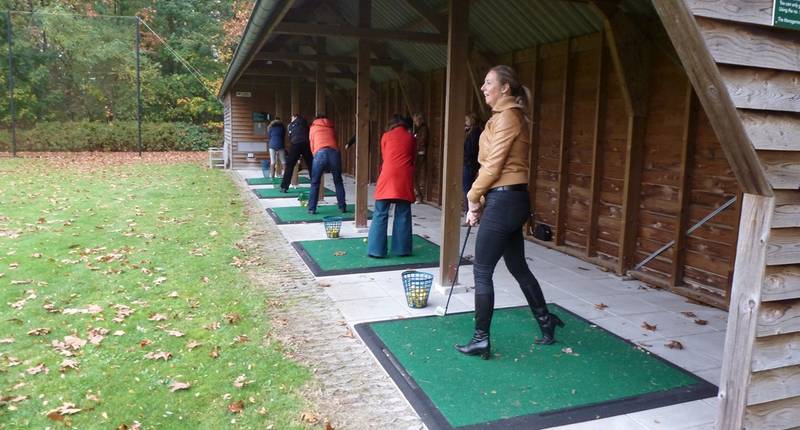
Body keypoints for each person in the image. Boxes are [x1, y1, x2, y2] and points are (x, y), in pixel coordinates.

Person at [456, 65, 563, 360]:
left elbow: (493, 165)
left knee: (481, 271)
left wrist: (473, 197)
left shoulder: (509, 117)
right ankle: (546, 321)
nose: (483, 87)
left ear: (505, 88)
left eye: (488, 82)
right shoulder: (501, 118)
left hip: (505, 200)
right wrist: (481, 198)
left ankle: (481, 339)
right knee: (518, 267)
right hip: (507, 200)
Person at [367, 115, 416, 258]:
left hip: (387, 175)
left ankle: (376, 250)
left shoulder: (386, 136)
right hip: (404, 177)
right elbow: (412, 158)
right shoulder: (411, 138)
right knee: (403, 213)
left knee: (380, 213)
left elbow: (385, 157)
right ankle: (402, 250)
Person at [308, 113, 347, 214]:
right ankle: (342, 206)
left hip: (320, 153)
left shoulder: (313, 128)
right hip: (334, 153)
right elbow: (335, 141)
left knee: (315, 182)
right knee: (338, 181)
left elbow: (311, 143)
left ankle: (312, 208)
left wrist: (315, 155)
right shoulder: (331, 127)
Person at [280, 113, 313, 193]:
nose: (291, 119)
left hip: (295, 144)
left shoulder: (291, 125)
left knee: (290, 166)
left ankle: (284, 187)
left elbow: (290, 137)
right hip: (306, 144)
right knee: (311, 165)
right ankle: (315, 185)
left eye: (291, 117)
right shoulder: (305, 123)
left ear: (295, 117)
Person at [462, 112, 481, 220]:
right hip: (470, 163)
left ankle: (469, 213)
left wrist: (465, 158)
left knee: (467, 189)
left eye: (467, 120)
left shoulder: (475, 133)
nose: (465, 122)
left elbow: (471, 150)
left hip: (470, 164)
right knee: (467, 188)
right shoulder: (472, 132)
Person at [411, 112, 429, 203]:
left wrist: (416, 147)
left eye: (416, 120)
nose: (415, 122)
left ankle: (419, 196)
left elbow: (422, 141)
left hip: (420, 153)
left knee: (415, 175)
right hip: (418, 153)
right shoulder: (419, 129)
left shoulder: (423, 129)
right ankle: (417, 195)